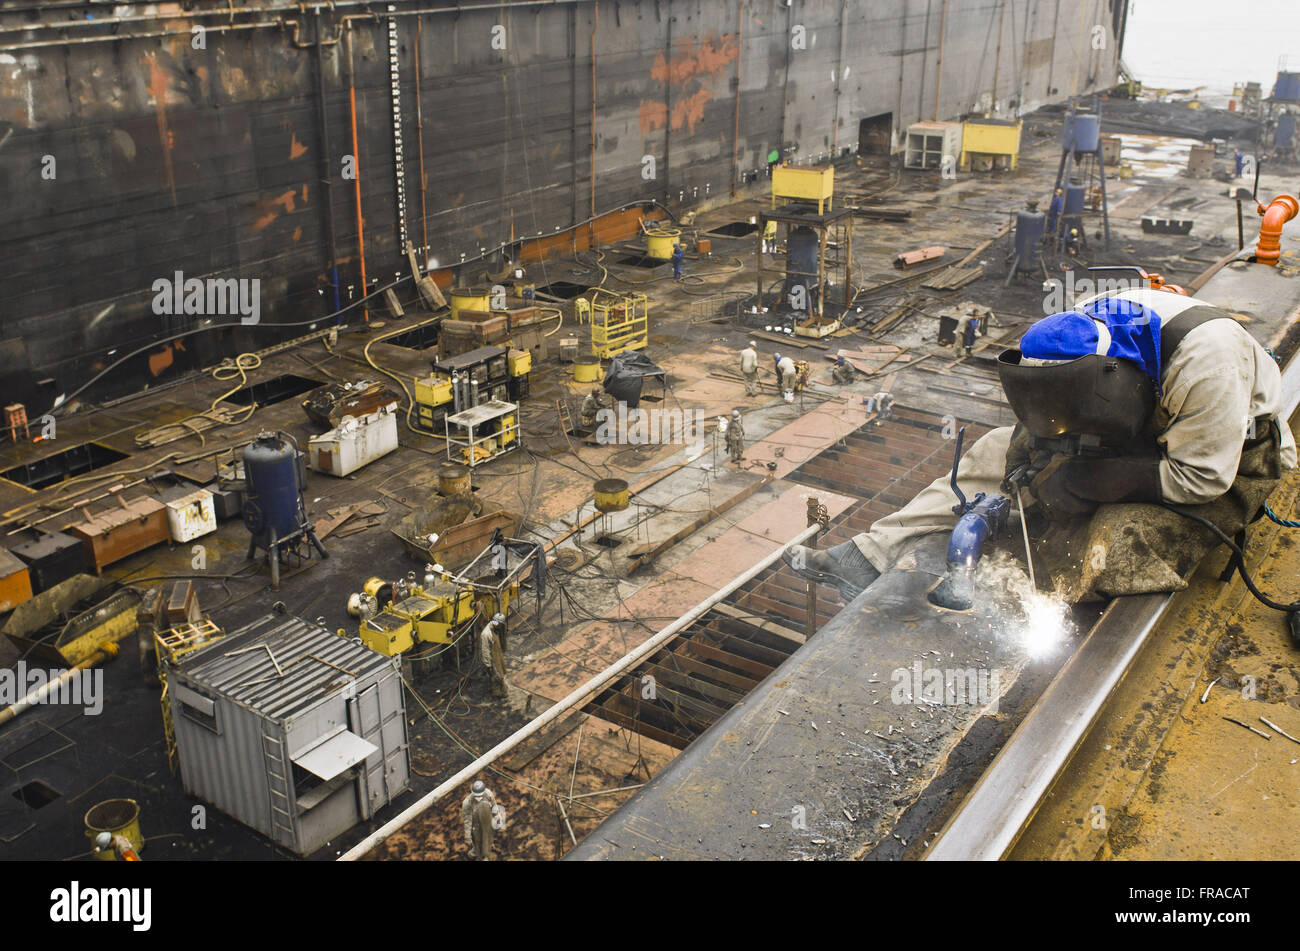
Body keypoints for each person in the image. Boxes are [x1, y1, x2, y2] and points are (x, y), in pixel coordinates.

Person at [784, 286, 1296, 603]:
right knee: (992, 451)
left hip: (1227, 458)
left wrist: (1095, 480)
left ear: (1108, 378)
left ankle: (1038, 603)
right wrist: (1042, 460)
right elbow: (1054, 421)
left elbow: (1204, 476)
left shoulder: (1207, 362)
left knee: (1112, 538)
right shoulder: (1080, 326)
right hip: (1144, 429)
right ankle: (868, 556)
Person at [460, 780, 505, 860]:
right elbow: (467, 820)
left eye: (480, 796)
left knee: (487, 837)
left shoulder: (488, 794)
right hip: (475, 823)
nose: (478, 798)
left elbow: (494, 807)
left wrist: (498, 819)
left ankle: (485, 855)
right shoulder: (467, 803)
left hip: (487, 819)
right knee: (477, 839)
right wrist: (467, 836)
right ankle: (476, 852)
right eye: (476, 796)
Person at [479, 613, 507, 698]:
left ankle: (501, 689)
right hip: (492, 658)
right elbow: (485, 650)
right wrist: (488, 664)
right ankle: (497, 693)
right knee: (496, 676)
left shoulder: (496, 628)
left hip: (498, 655)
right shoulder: (486, 634)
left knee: (500, 672)